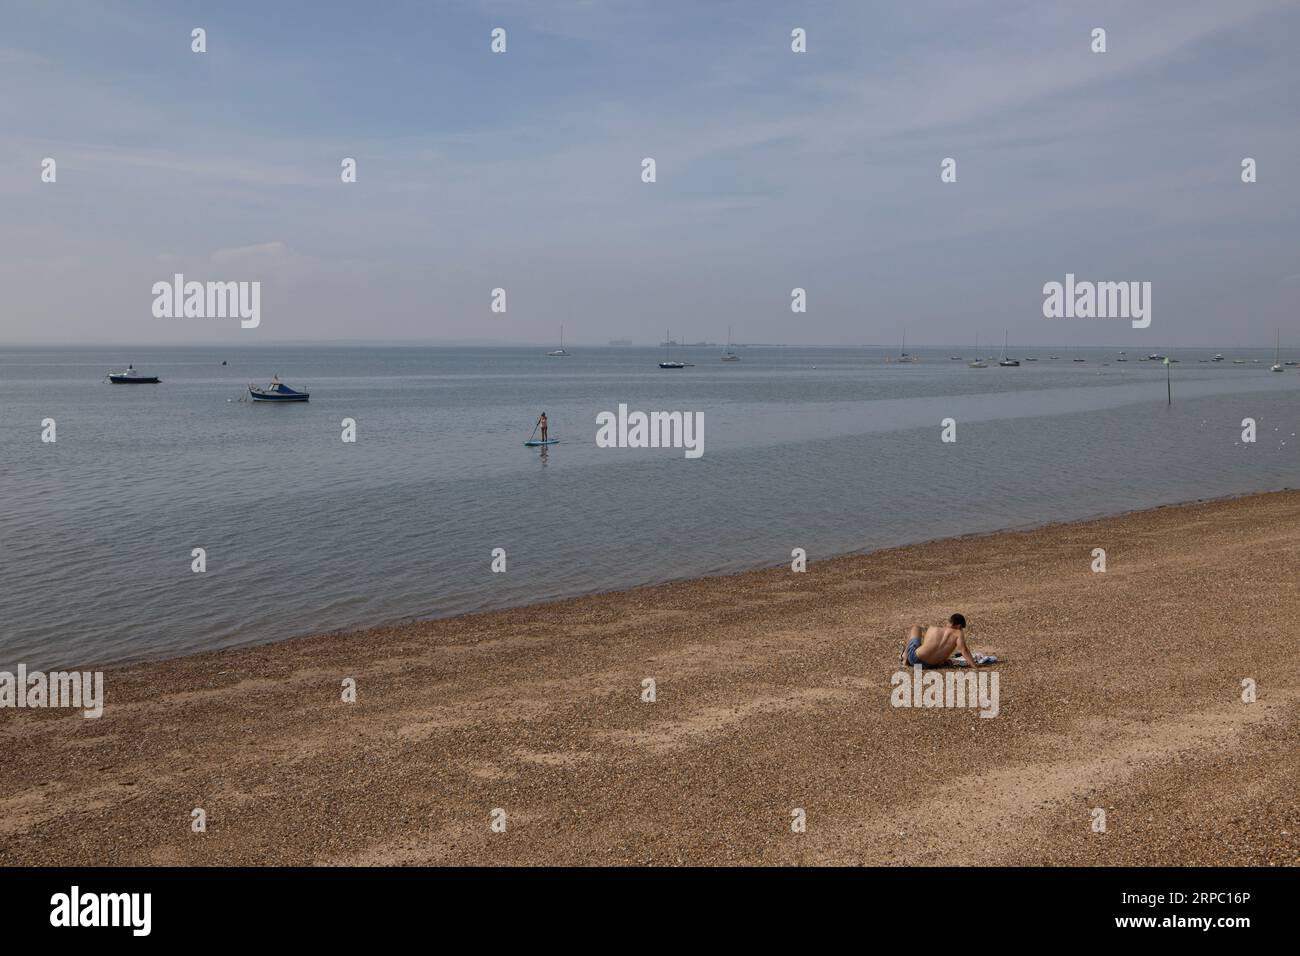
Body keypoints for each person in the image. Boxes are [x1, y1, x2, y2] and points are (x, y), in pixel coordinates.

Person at [899, 613, 983, 668]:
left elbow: (929, 647)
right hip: (929, 666)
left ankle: (905, 658)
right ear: (959, 625)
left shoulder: (933, 628)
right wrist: (975, 666)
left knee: (916, 628)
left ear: (950, 622)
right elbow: (964, 650)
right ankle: (906, 658)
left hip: (914, 660)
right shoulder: (958, 633)